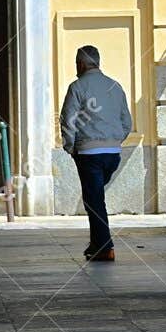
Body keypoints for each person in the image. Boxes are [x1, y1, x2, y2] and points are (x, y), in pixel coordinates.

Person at [60, 45, 133, 262]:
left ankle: (105, 246)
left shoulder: (77, 87)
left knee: (94, 200)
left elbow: (68, 120)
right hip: (113, 154)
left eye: (76, 63)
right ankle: (96, 243)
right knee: (95, 197)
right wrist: (115, 141)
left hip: (88, 152)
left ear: (81, 64)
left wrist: (70, 146)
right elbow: (126, 122)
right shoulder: (115, 86)